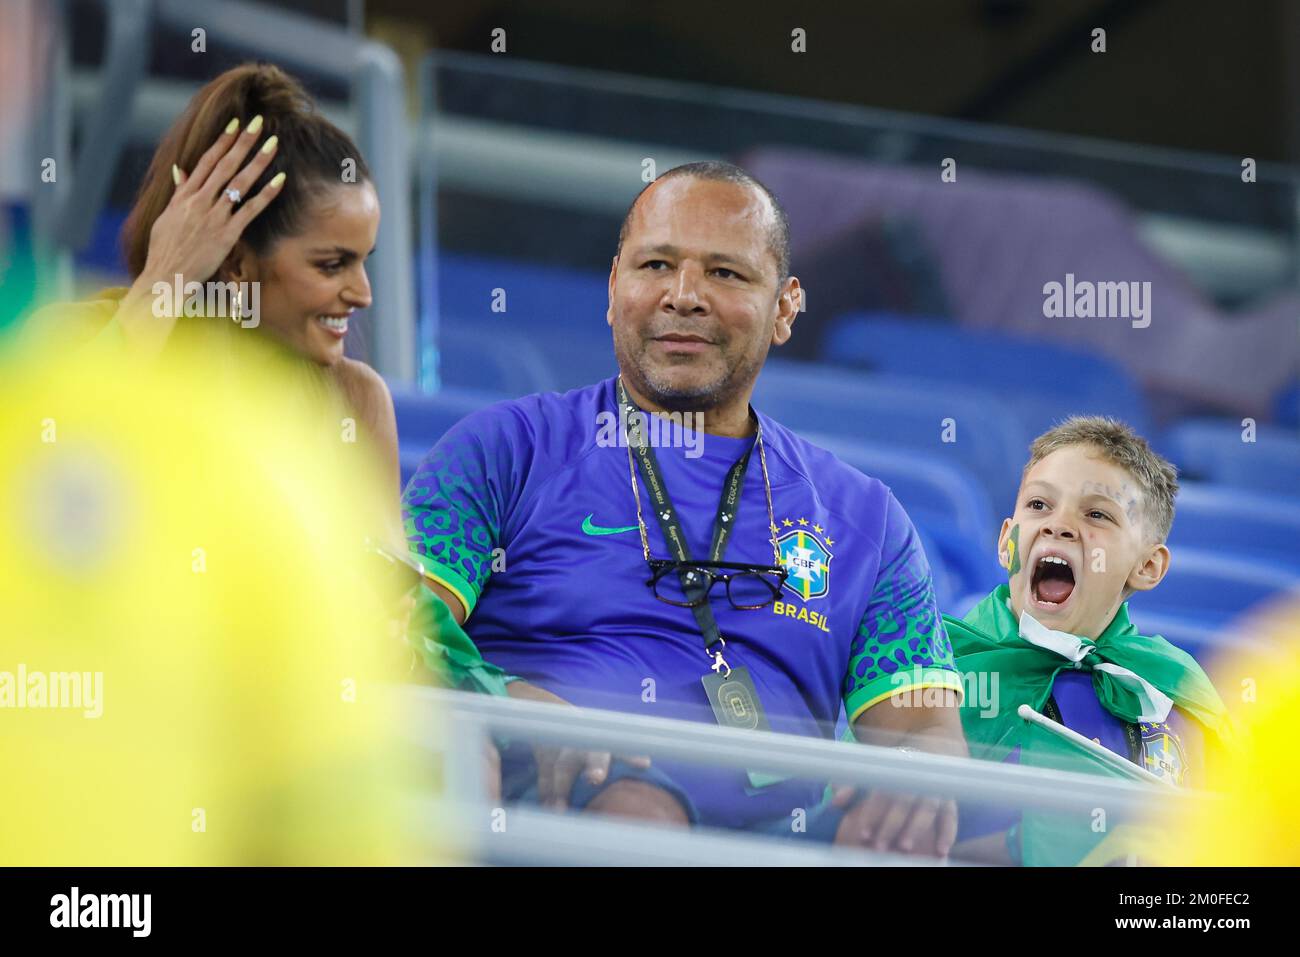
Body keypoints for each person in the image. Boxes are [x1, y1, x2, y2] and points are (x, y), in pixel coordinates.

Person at [404, 161, 969, 854]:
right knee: (637, 812)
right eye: (656, 265)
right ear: (614, 288)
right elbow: (395, 627)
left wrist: (920, 779)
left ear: (786, 307)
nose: (684, 296)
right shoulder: (504, 450)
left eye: (725, 274)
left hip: (789, 835)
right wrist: (507, 701)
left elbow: (923, 729)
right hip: (562, 806)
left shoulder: (867, 520)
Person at [946, 416, 1233, 865]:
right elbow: (856, 826)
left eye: (1097, 514)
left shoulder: (1175, 688)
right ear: (1006, 542)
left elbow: (1231, 842)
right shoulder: (939, 663)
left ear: (1148, 567)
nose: (1058, 526)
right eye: (1039, 505)